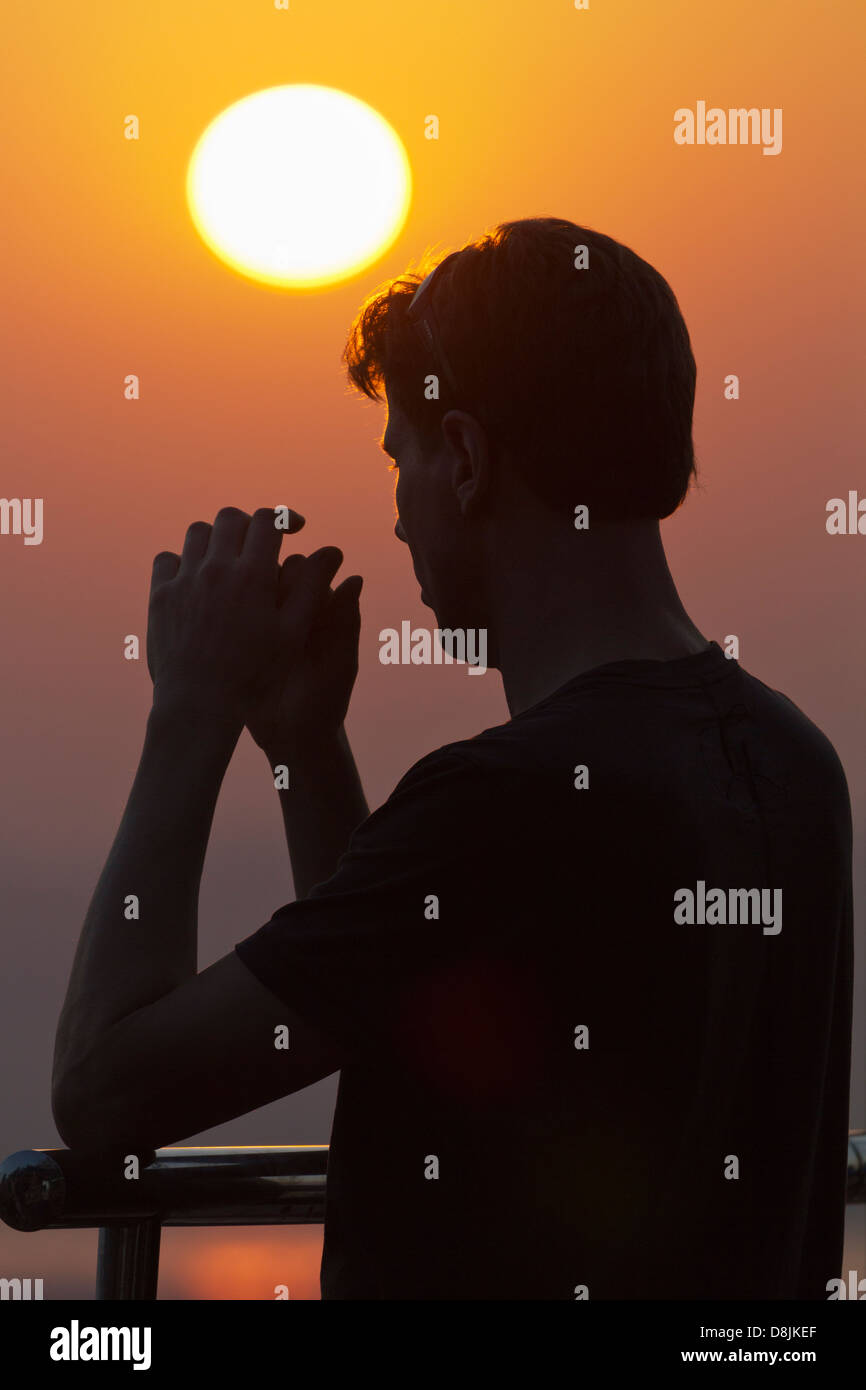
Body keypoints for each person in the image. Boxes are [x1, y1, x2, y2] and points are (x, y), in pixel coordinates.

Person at [52, 217, 853, 1299]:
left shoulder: (506, 800)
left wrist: (187, 710)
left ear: (466, 457)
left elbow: (105, 1095)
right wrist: (304, 744)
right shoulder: (790, 760)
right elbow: (425, 1006)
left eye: (401, 459)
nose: (394, 517)